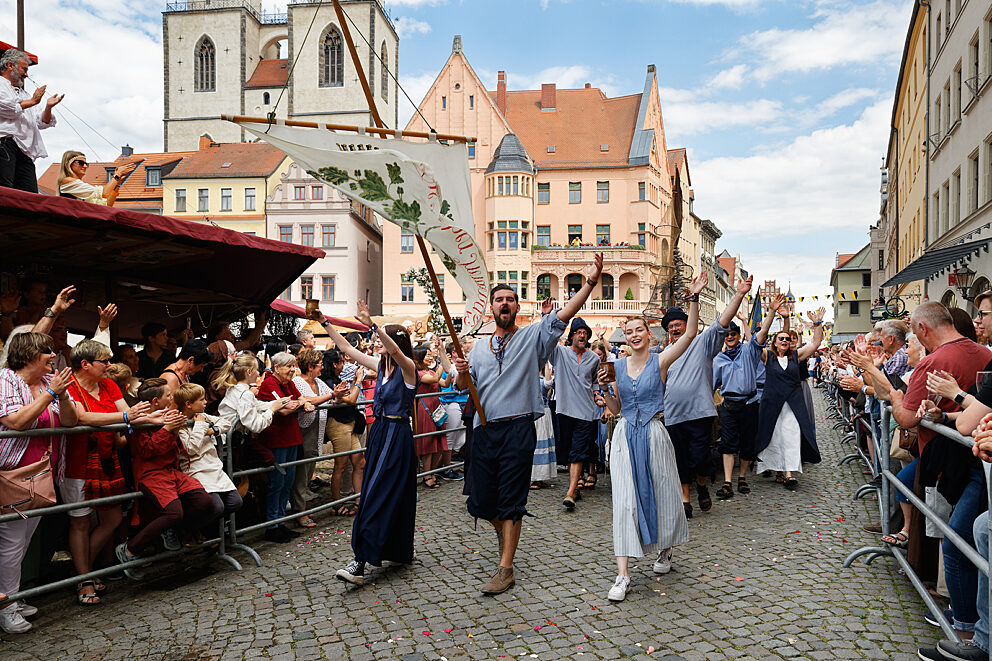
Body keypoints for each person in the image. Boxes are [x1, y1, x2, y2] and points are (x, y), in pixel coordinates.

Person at [453, 253, 604, 595]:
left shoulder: (533, 337)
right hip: (484, 430)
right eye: (498, 300)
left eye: (509, 300)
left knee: (512, 500)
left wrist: (591, 282)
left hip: (519, 428)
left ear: (516, 306)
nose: (503, 304)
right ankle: (505, 532)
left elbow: (565, 314)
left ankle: (505, 568)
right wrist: (462, 373)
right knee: (479, 502)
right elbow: (464, 388)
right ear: (491, 307)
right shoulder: (477, 349)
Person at [596, 273, 706, 602]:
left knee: (664, 492)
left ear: (648, 333)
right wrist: (604, 391)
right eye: (628, 332)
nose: (634, 336)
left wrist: (694, 300)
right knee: (625, 501)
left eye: (638, 330)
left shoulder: (661, 359)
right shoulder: (615, 365)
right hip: (626, 437)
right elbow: (616, 408)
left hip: (656, 433)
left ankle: (665, 551)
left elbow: (688, 335)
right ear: (625, 338)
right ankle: (622, 574)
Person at [890, 303, 992, 646]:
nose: (980, 320)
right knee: (970, 536)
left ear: (922, 330)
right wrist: (946, 413)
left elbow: (906, 419)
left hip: (953, 462)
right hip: (969, 459)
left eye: (986, 314)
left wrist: (893, 395)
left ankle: (968, 630)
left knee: (956, 539)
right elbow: (965, 417)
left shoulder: (934, 361)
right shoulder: (982, 353)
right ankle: (969, 623)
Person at [314, 301, 418, 587]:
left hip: (396, 434)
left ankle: (360, 561)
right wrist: (324, 322)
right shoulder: (380, 366)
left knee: (377, 494)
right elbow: (348, 350)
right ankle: (396, 550)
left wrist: (373, 324)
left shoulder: (408, 368)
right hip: (380, 432)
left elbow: (397, 351)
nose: (376, 341)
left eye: (382, 337)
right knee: (384, 491)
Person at [64, 340, 153, 605]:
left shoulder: (109, 384)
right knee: (79, 521)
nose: (110, 365)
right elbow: (82, 418)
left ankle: (82, 573)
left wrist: (150, 419)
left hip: (107, 459)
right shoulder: (69, 385)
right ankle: (84, 578)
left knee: (112, 518)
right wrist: (124, 419)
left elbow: (128, 413)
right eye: (105, 361)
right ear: (86, 364)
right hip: (76, 462)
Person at [659, 275, 753, 518]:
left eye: (679, 324)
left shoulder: (702, 342)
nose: (675, 329)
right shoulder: (664, 353)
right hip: (673, 415)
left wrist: (740, 294)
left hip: (700, 412)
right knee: (680, 459)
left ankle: (702, 485)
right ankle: (685, 498)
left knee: (701, 458)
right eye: (670, 328)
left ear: (689, 324)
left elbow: (724, 319)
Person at [0, 332, 76, 633]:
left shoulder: (48, 384)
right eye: (48, 352)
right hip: (15, 475)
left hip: (43, 474)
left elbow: (69, 422)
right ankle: (5, 607)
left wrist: (64, 395)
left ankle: (13, 597)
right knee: (11, 544)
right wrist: (51, 394)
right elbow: (15, 421)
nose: (53, 357)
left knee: (22, 544)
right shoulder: (6, 379)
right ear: (31, 354)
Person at [115, 379, 221, 578]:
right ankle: (129, 549)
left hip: (172, 471)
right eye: (168, 396)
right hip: (151, 474)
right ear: (156, 400)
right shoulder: (139, 420)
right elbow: (147, 451)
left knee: (204, 501)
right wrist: (166, 429)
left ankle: (174, 531)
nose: (172, 398)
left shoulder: (169, 415)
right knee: (174, 513)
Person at [711, 297, 780, 500]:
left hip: (749, 403)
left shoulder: (750, 351)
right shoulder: (719, 359)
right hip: (729, 404)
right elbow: (713, 384)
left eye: (733, 334)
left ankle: (742, 477)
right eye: (727, 334)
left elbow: (762, 334)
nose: (730, 337)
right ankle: (727, 482)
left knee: (748, 443)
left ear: (739, 336)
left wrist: (772, 312)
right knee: (727, 443)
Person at [754, 308, 826, 489]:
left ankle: (789, 473)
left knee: (792, 434)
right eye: (781, 339)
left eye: (787, 339)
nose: (785, 340)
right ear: (775, 343)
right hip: (772, 404)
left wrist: (817, 324)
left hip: (793, 404)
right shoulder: (767, 357)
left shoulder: (797, 356)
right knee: (775, 436)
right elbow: (755, 343)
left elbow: (816, 343)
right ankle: (778, 470)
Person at [256, 352, 307, 542]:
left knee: (288, 481)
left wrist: (300, 402)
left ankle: (280, 521)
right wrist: (299, 403)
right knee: (276, 482)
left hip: (291, 438)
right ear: (277, 368)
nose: (293, 370)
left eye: (294, 366)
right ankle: (272, 524)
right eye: (289, 366)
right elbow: (285, 409)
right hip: (276, 440)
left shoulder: (288, 383)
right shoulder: (269, 384)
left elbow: (300, 399)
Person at [551, 316, 601, 509]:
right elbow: (548, 340)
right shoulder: (560, 353)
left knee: (578, 452)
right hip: (564, 410)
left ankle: (571, 492)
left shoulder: (594, 358)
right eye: (579, 332)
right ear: (571, 336)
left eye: (585, 333)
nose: (582, 335)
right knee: (569, 451)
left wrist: (597, 395)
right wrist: (548, 318)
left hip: (586, 412)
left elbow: (595, 381)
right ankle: (576, 487)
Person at [173, 383, 242, 522]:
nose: (205, 402)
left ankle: (207, 531)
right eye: (201, 399)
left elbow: (225, 423)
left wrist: (212, 430)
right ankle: (189, 529)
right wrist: (200, 426)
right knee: (216, 506)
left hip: (213, 467)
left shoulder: (201, 416)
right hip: (195, 469)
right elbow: (191, 449)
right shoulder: (179, 424)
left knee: (235, 502)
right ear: (188, 404)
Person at [0, 49, 62, 193]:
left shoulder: (24, 94)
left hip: (24, 150)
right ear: (10, 65)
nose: (27, 75)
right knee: (5, 189)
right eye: (24, 69)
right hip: (5, 143)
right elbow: (8, 108)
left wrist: (48, 106)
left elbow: (40, 122)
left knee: (29, 193)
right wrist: (33, 101)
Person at [215, 354, 292, 469]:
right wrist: (272, 409)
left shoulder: (234, 389)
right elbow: (256, 425)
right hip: (232, 442)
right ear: (248, 372)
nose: (258, 374)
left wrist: (278, 403)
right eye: (256, 370)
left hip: (228, 440)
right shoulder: (245, 394)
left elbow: (256, 405)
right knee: (267, 458)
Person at [289, 348, 336, 527]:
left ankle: (302, 509)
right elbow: (309, 399)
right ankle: (299, 512)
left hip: (316, 432)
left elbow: (328, 396)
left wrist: (336, 394)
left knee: (308, 473)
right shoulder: (299, 382)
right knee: (301, 474)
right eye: (319, 365)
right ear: (310, 367)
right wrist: (331, 395)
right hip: (304, 432)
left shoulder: (318, 382)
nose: (322, 368)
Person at [317, 347, 365, 515]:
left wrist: (354, 382)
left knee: (360, 463)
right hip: (338, 425)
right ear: (335, 364)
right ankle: (336, 504)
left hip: (349, 423)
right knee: (340, 466)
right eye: (342, 361)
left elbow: (349, 394)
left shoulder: (335, 378)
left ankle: (359, 500)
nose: (344, 364)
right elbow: (351, 399)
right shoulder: (328, 382)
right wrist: (358, 380)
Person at [413, 344, 446, 488]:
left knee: (439, 441)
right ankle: (427, 475)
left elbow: (444, 383)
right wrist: (442, 364)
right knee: (428, 442)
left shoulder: (431, 371)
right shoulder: (419, 373)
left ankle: (432, 472)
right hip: (424, 408)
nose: (430, 356)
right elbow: (434, 380)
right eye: (427, 355)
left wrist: (450, 371)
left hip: (436, 408)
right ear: (420, 357)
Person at [56, 151, 135, 205]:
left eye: (86, 163)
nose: (85, 166)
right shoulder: (67, 181)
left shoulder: (80, 187)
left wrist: (117, 185)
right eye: (81, 163)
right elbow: (104, 193)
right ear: (69, 164)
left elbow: (106, 204)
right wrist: (117, 175)